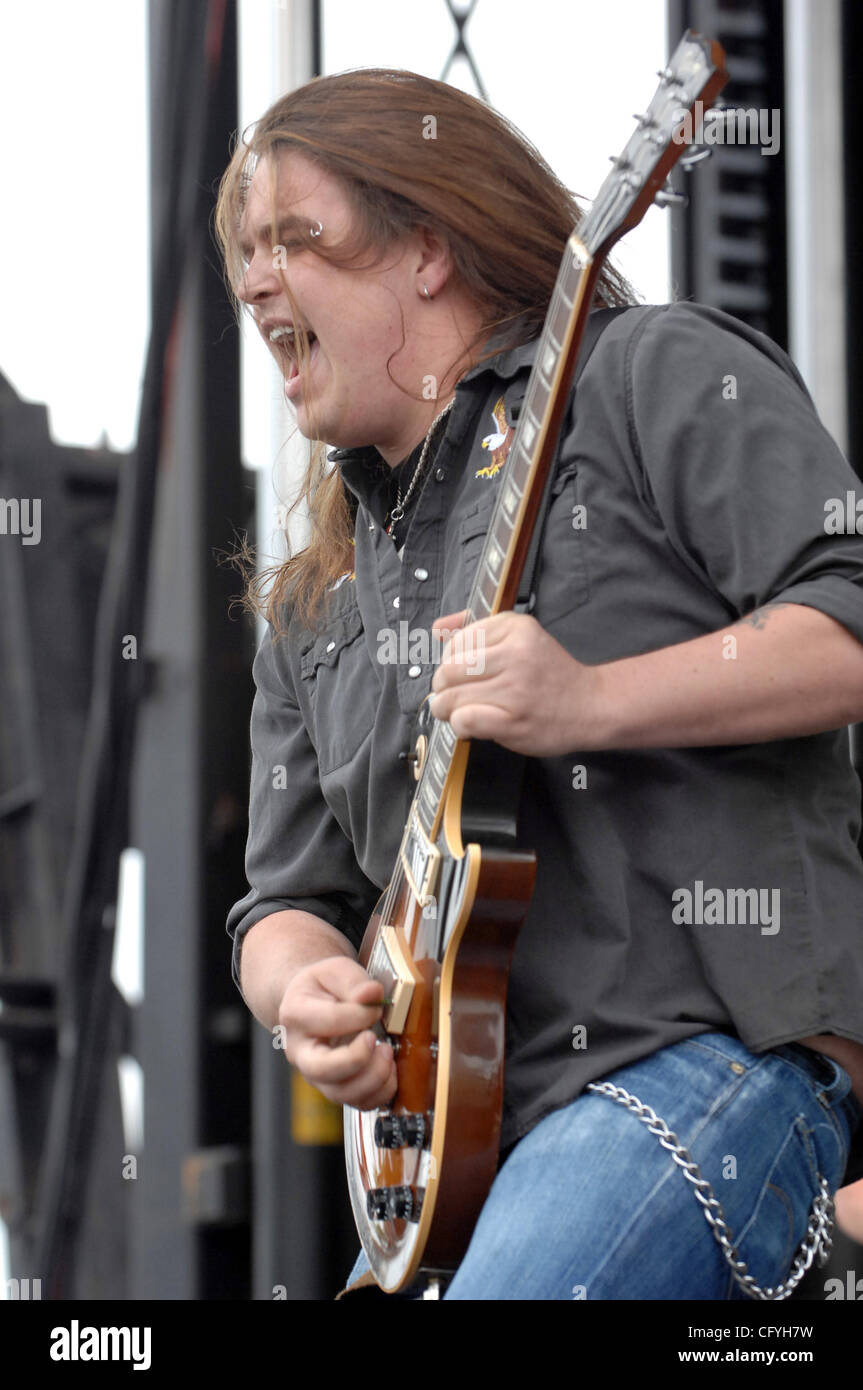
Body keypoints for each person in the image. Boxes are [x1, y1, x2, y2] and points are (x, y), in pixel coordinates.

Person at [217, 68, 863, 1300]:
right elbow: (281, 901)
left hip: (705, 1067)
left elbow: (845, 617)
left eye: (293, 238)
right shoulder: (311, 604)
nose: (255, 278)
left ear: (427, 246)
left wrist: (590, 701)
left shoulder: (646, 378)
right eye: (244, 250)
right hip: (455, 1163)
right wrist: (305, 990)